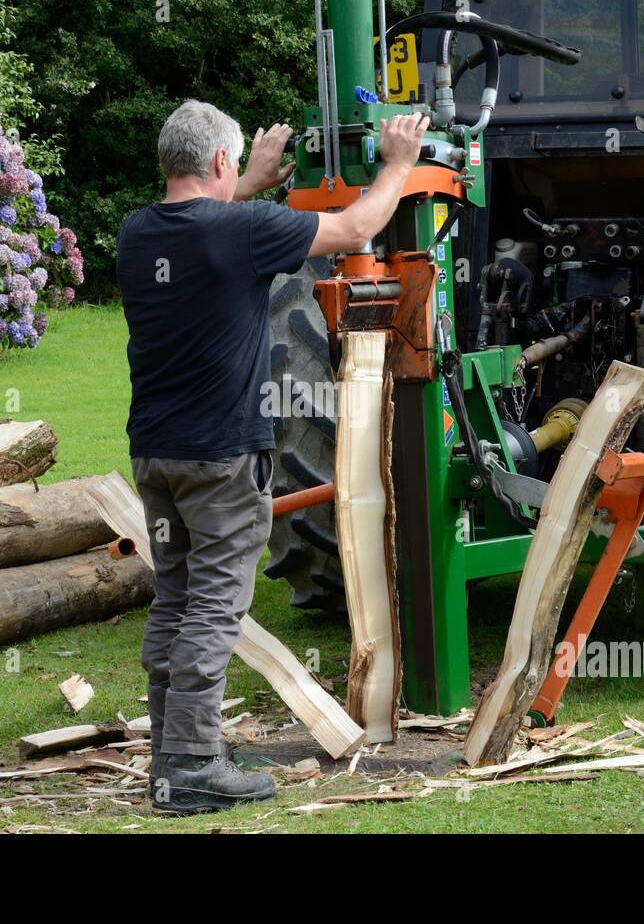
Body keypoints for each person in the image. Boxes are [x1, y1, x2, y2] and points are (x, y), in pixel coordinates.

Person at [116, 98, 429, 814]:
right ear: (221, 163)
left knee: (176, 596)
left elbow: (206, 229)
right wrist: (399, 165)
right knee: (215, 605)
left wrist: (250, 182)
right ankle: (193, 764)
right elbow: (355, 227)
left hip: (156, 454)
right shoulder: (242, 230)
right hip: (222, 455)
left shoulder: (138, 233)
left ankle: (171, 754)